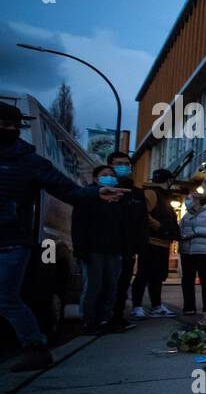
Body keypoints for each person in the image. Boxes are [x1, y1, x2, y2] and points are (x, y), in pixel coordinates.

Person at [0, 101, 122, 370]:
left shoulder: (30, 162)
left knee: (6, 297)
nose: (7, 130)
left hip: (11, 241)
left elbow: (68, 190)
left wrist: (95, 193)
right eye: (2, 124)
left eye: (11, 125)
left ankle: (35, 346)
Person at [71, 165, 127, 335]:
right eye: (104, 175)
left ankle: (105, 319)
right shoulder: (87, 198)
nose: (109, 177)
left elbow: (123, 227)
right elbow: (78, 226)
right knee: (93, 287)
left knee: (110, 287)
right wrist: (80, 250)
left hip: (113, 251)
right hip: (92, 250)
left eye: (112, 175)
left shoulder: (119, 200)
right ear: (96, 179)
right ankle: (88, 321)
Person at [105, 150, 148, 332]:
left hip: (128, 246)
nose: (123, 167)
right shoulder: (103, 190)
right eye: (118, 163)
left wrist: (141, 245)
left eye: (126, 164)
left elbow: (142, 221)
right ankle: (102, 317)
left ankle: (118, 316)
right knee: (106, 283)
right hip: (107, 246)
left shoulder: (137, 193)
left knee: (123, 283)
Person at [129, 169, 180, 318]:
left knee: (157, 276)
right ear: (169, 181)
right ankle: (137, 306)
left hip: (162, 243)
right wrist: (159, 226)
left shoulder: (161, 195)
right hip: (151, 242)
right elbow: (144, 213)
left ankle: (156, 306)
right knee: (143, 274)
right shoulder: (152, 193)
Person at [178, 191, 206, 316]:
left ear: (197, 201)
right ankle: (189, 307)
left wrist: (195, 231)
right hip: (187, 252)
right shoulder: (186, 216)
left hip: (204, 252)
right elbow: (180, 230)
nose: (187, 201)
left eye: (190, 199)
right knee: (187, 280)